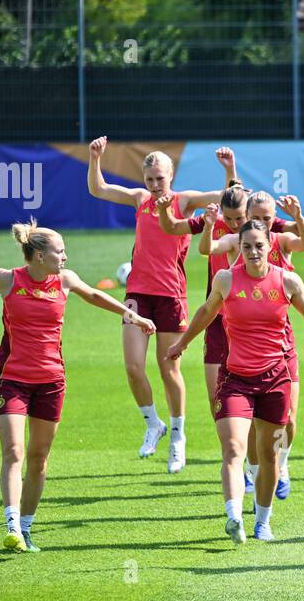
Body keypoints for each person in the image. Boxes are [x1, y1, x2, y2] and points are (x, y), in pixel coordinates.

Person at [0, 221, 157, 552]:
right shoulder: (7, 279)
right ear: (39, 255)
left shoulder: (65, 281)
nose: (65, 257)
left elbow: (96, 295)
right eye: (60, 251)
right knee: (13, 451)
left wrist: (135, 317)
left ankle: (26, 528)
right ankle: (11, 524)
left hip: (51, 381)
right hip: (11, 379)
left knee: (39, 457)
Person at [165, 220, 304, 544]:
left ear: (270, 246)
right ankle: (234, 516)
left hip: (274, 380)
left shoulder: (287, 281)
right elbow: (205, 312)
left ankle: (262, 522)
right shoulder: (226, 280)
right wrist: (182, 343)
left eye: (259, 245)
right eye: (247, 246)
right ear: (239, 248)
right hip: (235, 379)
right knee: (234, 449)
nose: (253, 251)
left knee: (268, 456)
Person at [87, 137, 231, 472]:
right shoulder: (139, 199)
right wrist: (96, 158)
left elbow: (227, 198)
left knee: (169, 368)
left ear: (170, 177)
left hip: (171, 295)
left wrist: (229, 171)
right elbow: (100, 189)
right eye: (149, 179)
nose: (154, 186)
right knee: (133, 367)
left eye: (160, 180)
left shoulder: (185, 201)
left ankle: (178, 435)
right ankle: (154, 423)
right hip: (138, 293)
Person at [199, 191, 304, 499]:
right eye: (257, 217)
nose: (263, 223)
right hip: (240, 336)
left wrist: (299, 217)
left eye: (268, 218)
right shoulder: (240, 244)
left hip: (281, 341)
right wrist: (210, 225)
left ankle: (282, 462)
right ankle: (252, 472)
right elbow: (207, 248)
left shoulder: (281, 241)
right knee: (245, 416)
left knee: (288, 417)